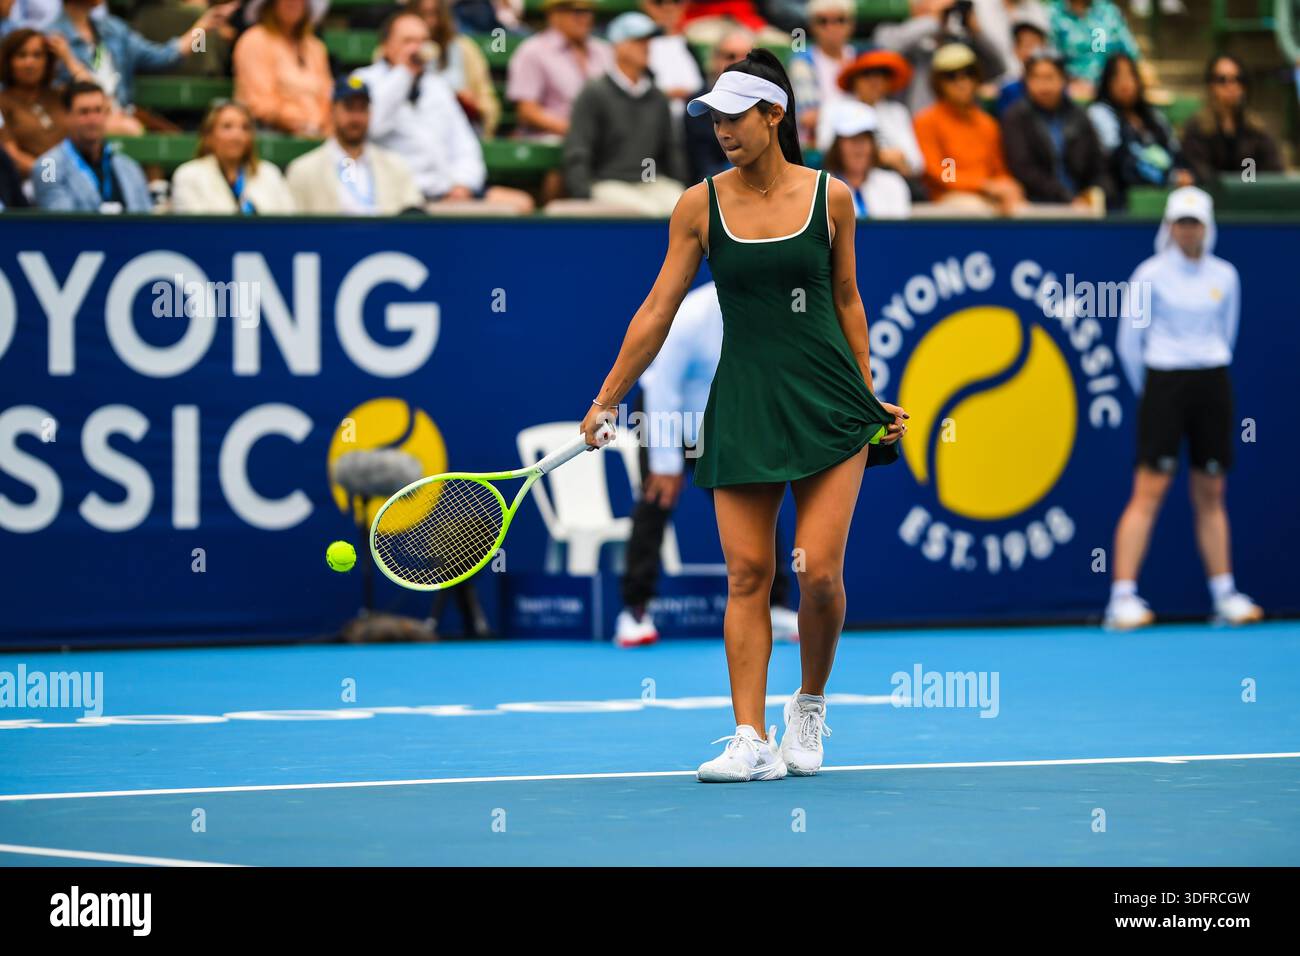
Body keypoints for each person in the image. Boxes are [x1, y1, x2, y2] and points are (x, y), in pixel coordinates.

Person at [578, 50, 907, 782]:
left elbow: (849, 300)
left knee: (819, 575)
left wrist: (868, 388)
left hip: (829, 404)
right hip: (745, 403)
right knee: (748, 574)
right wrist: (609, 398)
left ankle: (810, 705)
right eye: (714, 118)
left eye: (735, 116)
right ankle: (750, 736)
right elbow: (657, 309)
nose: (722, 129)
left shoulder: (834, 199)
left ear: (773, 116)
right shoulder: (698, 204)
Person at [1105, 186, 1263, 630]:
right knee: (1148, 491)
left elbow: (1225, 335)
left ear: (1207, 228)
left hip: (1212, 382)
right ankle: (1121, 598)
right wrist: (1154, 390)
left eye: (1195, 223)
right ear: (1169, 227)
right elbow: (1128, 344)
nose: (1188, 230)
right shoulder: (1148, 275)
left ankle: (1224, 593)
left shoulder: (1226, 276)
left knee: (1212, 493)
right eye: (1181, 222)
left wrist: (1203, 371)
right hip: (1163, 383)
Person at [615, 281, 801, 647]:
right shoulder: (692, 316)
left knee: (759, 503)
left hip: (722, 421)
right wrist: (665, 462)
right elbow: (662, 388)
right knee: (656, 501)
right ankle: (635, 611)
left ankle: (774, 605)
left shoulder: (772, 313)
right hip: (663, 415)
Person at [356, 10, 533, 210]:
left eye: (422, 41)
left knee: (520, 204)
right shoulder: (364, 82)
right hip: (396, 195)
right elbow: (374, 126)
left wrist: (463, 185)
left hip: (447, 191)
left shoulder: (437, 86)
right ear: (386, 46)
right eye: (408, 41)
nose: (416, 48)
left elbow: (465, 145)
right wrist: (404, 73)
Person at [563, 11, 686, 215]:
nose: (647, 47)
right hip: (607, 183)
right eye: (638, 41)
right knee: (647, 212)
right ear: (619, 45)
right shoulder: (594, 93)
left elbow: (671, 149)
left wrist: (681, 183)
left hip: (652, 182)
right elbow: (578, 149)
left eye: (648, 41)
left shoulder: (657, 96)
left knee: (685, 206)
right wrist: (583, 194)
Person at [50, 0, 233, 135]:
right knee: (133, 130)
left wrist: (202, 27)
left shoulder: (113, 29)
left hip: (123, 115)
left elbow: (164, 58)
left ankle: (155, 187)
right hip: (80, 122)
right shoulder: (50, 36)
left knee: (169, 136)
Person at [286, 75, 425, 215]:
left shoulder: (396, 166)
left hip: (384, 236)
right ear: (332, 111)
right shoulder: (303, 171)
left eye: (362, 109)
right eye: (349, 108)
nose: (356, 118)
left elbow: (414, 216)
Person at [913, 42, 1023, 213]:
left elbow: (998, 170)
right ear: (938, 82)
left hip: (988, 195)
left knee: (1021, 208)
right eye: (951, 76)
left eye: (968, 74)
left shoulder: (987, 123)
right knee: (974, 209)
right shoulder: (927, 121)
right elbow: (941, 174)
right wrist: (983, 185)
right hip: (947, 198)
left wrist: (1007, 185)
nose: (961, 82)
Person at [1087, 51, 1191, 211]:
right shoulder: (1100, 114)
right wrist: (1169, 178)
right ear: (1107, 81)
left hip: (1167, 200)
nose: (1125, 84)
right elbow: (1120, 163)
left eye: (1130, 76)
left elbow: (1175, 153)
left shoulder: (1154, 117)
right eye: (1117, 77)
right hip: (1121, 200)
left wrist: (1181, 174)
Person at [1001, 47, 1105, 206]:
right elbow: (1023, 169)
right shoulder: (1015, 117)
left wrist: (1095, 192)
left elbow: (1097, 164)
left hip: (1081, 202)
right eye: (1035, 77)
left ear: (1063, 80)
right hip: (1034, 203)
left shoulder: (1079, 116)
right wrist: (1066, 197)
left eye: (1050, 77)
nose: (1043, 85)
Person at [33, 80, 152, 211]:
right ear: (66, 116)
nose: (93, 119)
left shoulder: (129, 166)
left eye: (98, 110)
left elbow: (146, 218)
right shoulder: (48, 166)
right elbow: (59, 221)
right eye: (84, 112)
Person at [874, 0, 1009, 115]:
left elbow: (998, 67)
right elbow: (887, 48)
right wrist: (934, 20)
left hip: (961, 120)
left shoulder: (959, 40)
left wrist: (976, 32)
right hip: (919, 120)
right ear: (914, 7)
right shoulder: (891, 31)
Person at [506, 0, 613, 142]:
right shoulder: (533, 51)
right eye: (577, 12)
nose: (585, 18)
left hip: (603, 138)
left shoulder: (604, 51)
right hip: (551, 138)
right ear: (555, 15)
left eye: (588, 12)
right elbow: (527, 111)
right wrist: (577, 131)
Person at [169, 100, 295, 213]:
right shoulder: (189, 175)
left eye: (245, 128)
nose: (237, 136)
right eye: (227, 127)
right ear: (208, 136)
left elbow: (288, 224)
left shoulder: (269, 173)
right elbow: (193, 231)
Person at [1181, 54, 1284, 188]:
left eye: (1237, 79)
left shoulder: (1256, 130)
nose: (1231, 86)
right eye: (1222, 80)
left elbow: (1273, 172)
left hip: (1250, 199)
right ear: (1211, 86)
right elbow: (1198, 171)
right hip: (1212, 200)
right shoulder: (1197, 128)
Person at [232, 0, 331, 136]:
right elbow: (258, 101)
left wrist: (321, 125)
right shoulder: (254, 40)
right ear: (271, 4)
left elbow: (327, 96)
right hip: (269, 131)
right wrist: (295, 122)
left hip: (317, 132)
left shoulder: (316, 47)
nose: (294, 2)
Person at [826, 45, 920, 177]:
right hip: (846, 181)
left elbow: (917, 163)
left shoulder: (897, 111)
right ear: (854, 78)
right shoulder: (835, 107)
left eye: (882, 75)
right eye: (867, 74)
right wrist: (878, 156)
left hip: (892, 180)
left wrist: (902, 162)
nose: (875, 81)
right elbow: (825, 148)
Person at [0, 28, 81, 180]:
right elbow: (11, 155)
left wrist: (68, 58)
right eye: (21, 55)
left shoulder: (59, 94)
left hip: (75, 176)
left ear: (47, 61)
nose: (29, 63)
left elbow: (97, 98)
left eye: (37, 55)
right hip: (32, 183)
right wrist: (50, 175)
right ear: (9, 61)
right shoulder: (2, 103)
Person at [414, 0, 500, 138]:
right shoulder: (396, 48)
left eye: (434, 14)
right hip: (412, 126)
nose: (428, 21)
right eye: (422, 14)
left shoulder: (464, 49)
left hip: (457, 127)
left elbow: (487, 102)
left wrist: (474, 104)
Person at [682, 26, 751, 183]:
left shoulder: (767, 101)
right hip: (715, 183)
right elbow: (702, 165)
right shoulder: (698, 103)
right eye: (730, 56)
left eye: (746, 57)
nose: (739, 63)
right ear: (715, 60)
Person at [821, 99, 912, 218]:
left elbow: (899, 233)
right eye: (852, 139)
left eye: (865, 140)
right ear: (837, 145)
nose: (859, 149)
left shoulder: (893, 184)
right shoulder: (820, 189)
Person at [787, 0, 858, 149]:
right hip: (819, 146)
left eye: (840, 20)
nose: (832, 27)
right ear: (812, 26)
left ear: (851, 24)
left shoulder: (859, 58)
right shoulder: (801, 62)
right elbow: (809, 118)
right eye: (823, 21)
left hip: (857, 138)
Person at [1048, 0, 1139, 100]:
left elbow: (1131, 53)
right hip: (1068, 92)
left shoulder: (1108, 11)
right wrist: (1070, 83)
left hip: (1109, 90)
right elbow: (1049, 60)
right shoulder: (1053, 13)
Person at [995, 9, 1048, 115]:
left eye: (1035, 45)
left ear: (1044, 47)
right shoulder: (1007, 87)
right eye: (1027, 45)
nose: (1032, 51)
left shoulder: (1056, 83)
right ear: (1016, 50)